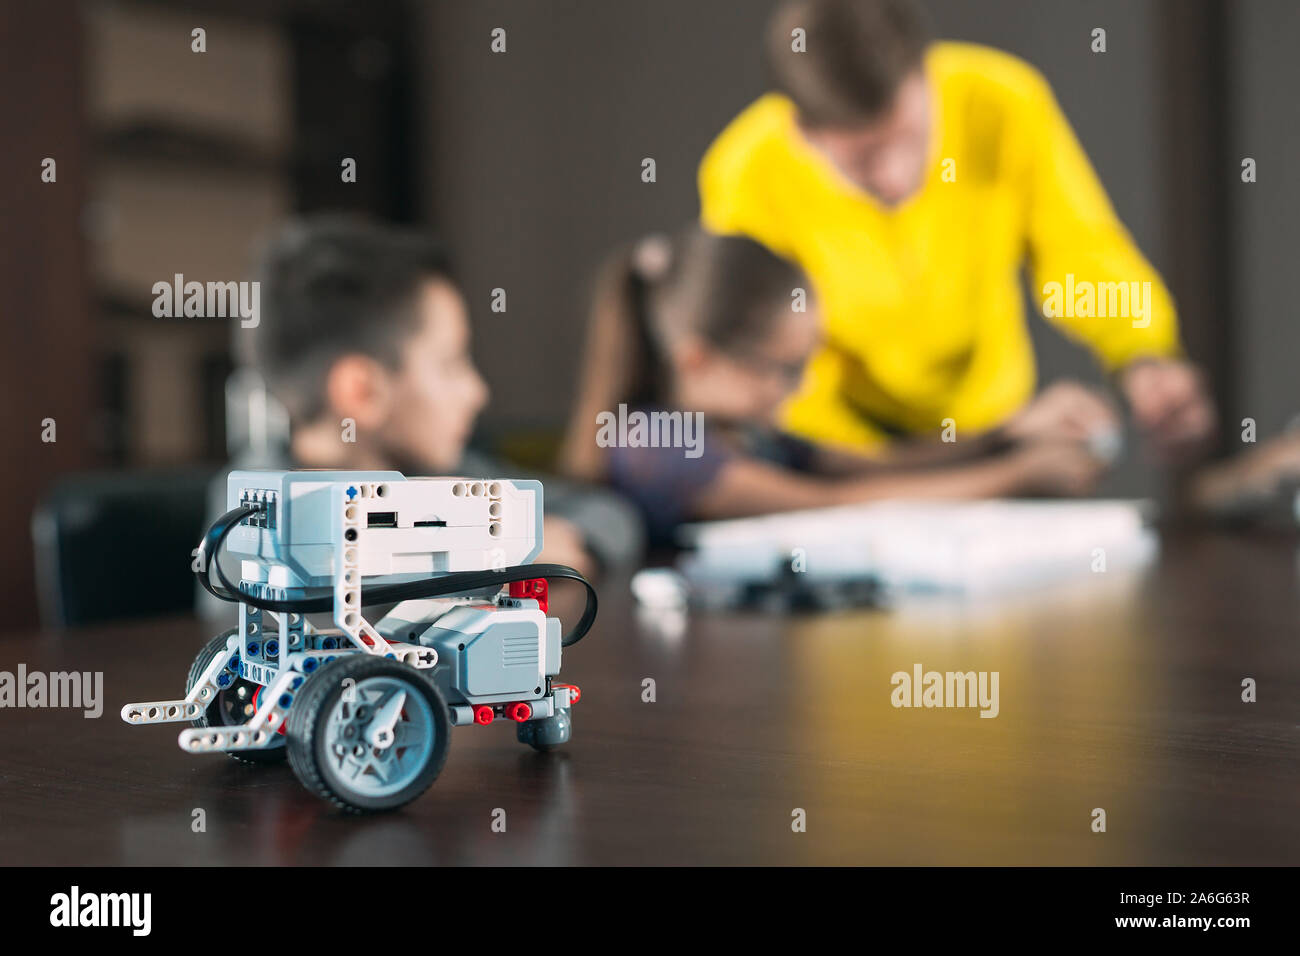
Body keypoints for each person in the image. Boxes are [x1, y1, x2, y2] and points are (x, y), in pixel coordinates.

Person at [698, 0, 1214, 463]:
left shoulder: (1004, 102)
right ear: (801, 132)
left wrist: (1142, 357)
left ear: (926, 71)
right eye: (865, 160)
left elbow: (1080, 255)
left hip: (992, 429)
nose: (899, 178)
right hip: (844, 463)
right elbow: (760, 361)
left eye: (909, 138)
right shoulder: (746, 170)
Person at [199, 215, 642, 620]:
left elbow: (610, 514)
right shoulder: (251, 516)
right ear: (363, 391)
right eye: (451, 364)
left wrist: (540, 541)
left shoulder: (444, 475)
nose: (478, 392)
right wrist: (495, 548)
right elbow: (319, 604)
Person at [561, 227, 1118, 545]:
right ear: (699, 360)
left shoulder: (741, 432)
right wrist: (1013, 475)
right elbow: (827, 503)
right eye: (781, 370)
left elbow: (874, 466)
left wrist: (1009, 435)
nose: (798, 390)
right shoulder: (654, 444)